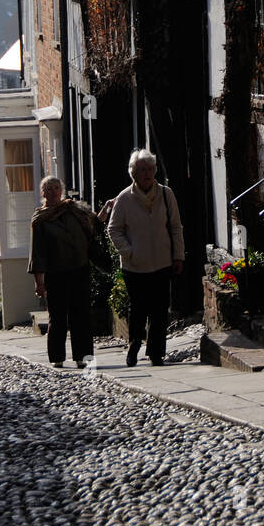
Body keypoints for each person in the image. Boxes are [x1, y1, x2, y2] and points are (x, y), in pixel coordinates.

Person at [107, 149, 184, 368]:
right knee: (138, 308)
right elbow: (114, 230)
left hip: (162, 261)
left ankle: (156, 352)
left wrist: (178, 255)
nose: (147, 173)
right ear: (133, 173)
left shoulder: (166, 195)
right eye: (142, 170)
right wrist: (129, 251)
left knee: (160, 309)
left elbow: (176, 227)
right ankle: (134, 344)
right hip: (134, 266)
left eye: (150, 169)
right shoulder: (124, 198)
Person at [28, 177, 95, 370]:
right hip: (56, 273)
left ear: (62, 190)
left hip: (79, 269)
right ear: (43, 194)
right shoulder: (40, 219)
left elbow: (91, 227)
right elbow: (37, 252)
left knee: (81, 314)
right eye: (48, 189)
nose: (53, 192)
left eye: (56, 188)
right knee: (57, 317)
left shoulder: (74, 210)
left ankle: (83, 357)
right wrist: (38, 282)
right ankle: (57, 356)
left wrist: (104, 213)